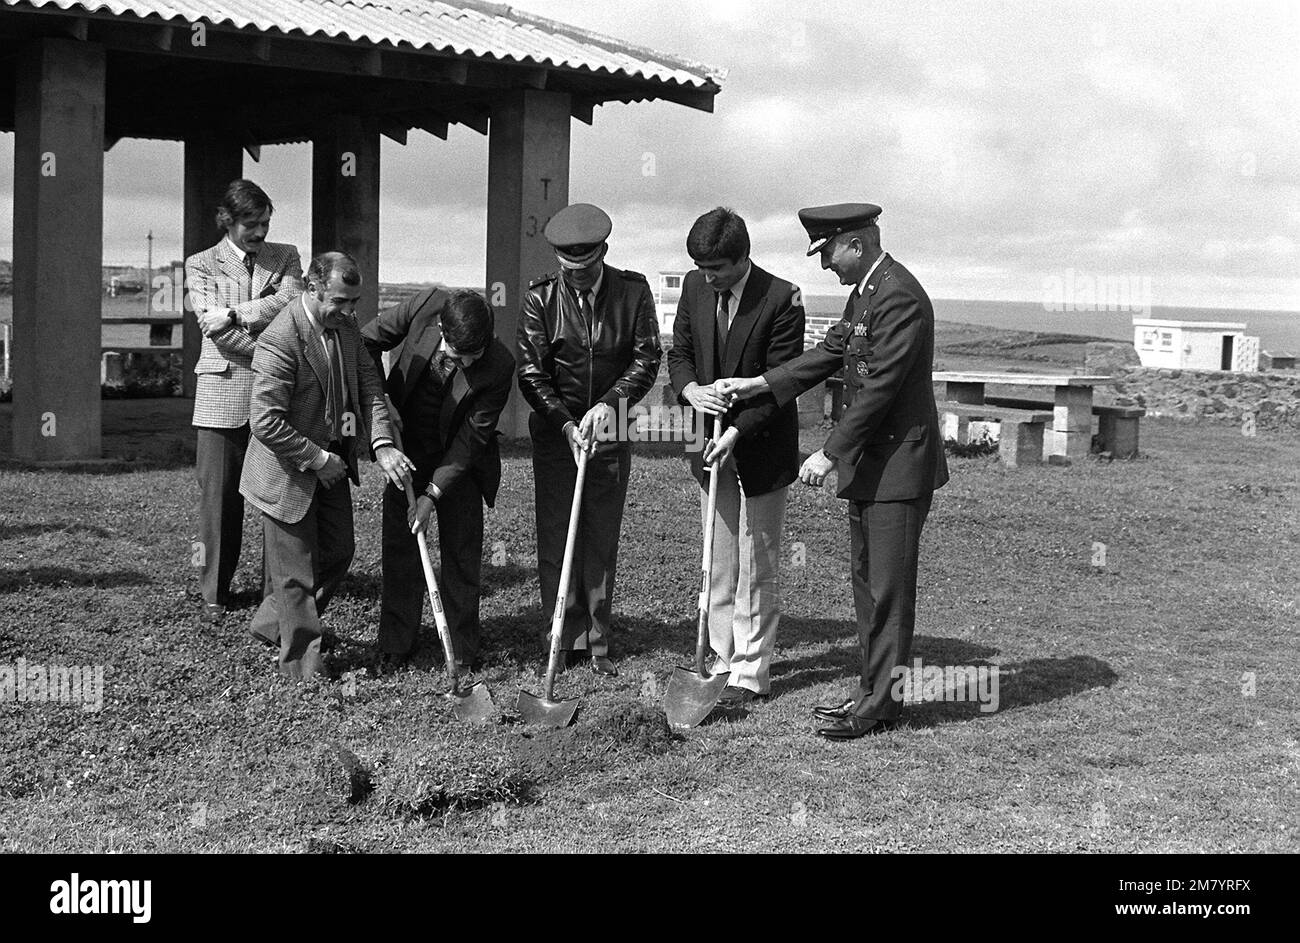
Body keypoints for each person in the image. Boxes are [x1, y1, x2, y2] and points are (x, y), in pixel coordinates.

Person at [718, 203, 949, 739]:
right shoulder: (867, 292)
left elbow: (879, 389)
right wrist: (759, 385)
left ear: (857, 244)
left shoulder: (899, 297)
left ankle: (880, 706)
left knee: (887, 590)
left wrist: (829, 452)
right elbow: (830, 354)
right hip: (875, 466)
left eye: (828, 252)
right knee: (867, 584)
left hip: (899, 466)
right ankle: (872, 693)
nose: (824, 265)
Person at [239, 251, 413, 680]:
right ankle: (302, 671)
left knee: (338, 552)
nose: (350, 312)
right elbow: (265, 421)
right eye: (340, 301)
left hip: (333, 462)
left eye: (354, 302)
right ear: (312, 288)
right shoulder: (280, 340)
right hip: (287, 472)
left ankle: (269, 623)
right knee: (296, 574)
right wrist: (317, 459)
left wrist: (382, 441)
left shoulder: (346, 326)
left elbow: (370, 383)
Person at [666, 207, 805, 707]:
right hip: (709, 447)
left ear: (743, 257)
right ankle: (721, 657)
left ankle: (751, 669)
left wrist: (738, 432)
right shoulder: (694, 286)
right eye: (702, 268)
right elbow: (678, 353)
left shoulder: (781, 298)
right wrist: (690, 391)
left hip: (760, 445)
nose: (708, 278)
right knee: (719, 557)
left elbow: (781, 382)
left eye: (718, 269)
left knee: (757, 558)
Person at [516, 203, 662, 677]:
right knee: (559, 535)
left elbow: (646, 359)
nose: (578, 278)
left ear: (603, 253)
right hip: (558, 433)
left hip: (611, 429)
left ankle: (596, 641)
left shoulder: (633, 292)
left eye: (588, 268)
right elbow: (531, 372)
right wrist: (564, 423)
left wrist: (611, 402)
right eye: (569, 270)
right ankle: (561, 634)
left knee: (599, 535)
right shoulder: (540, 298)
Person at [361, 288, 515, 673]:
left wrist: (432, 494)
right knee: (401, 549)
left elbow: (471, 440)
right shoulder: (425, 304)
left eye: (474, 356)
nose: (466, 362)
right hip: (406, 450)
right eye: (458, 352)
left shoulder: (498, 364)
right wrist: (380, 398)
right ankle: (396, 642)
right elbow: (363, 340)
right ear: (442, 328)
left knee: (462, 555)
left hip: (460, 466)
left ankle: (462, 649)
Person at [185, 179, 302, 626]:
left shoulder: (287, 255)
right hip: (221, 394)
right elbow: (213, 331)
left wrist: (235, 312)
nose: (260, 232)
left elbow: (292, 302)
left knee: (278, 495)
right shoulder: (200, 265)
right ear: (227, 221)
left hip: (277, 397)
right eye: (251, 224)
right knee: (218, 500)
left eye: (265, 223)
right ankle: (215, 590)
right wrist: (276, 352)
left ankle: (279, 591)